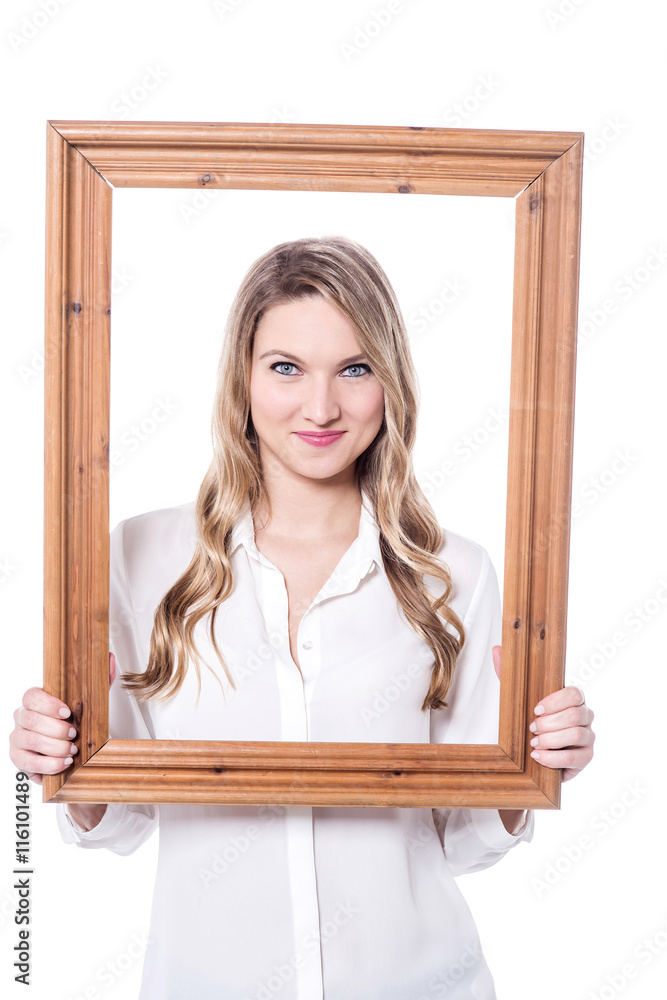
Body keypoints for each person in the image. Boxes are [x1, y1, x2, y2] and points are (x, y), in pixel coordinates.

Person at [10, 236, 595, 1000]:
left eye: (354, 370)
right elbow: (120, 817)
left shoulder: (453, 574)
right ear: (242, 381)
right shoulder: (140, 558)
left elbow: (461, 836)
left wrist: (535, 768)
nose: (321, 408)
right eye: (286, 367)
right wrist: (58, 761)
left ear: (389, 383)